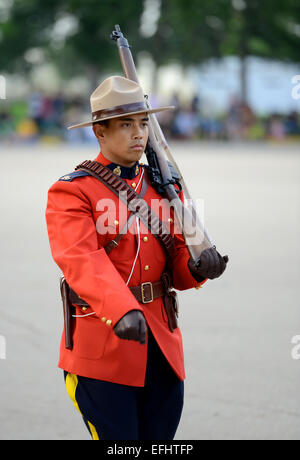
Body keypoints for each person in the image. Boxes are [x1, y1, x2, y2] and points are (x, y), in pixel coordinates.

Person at [45, 75, 228, 440]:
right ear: (99, 131)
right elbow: (82, 260)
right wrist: (122, 309)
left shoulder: (163, 185)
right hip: (104, 348)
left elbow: (177, 258)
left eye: (143, 123)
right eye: (126, 124)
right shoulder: (72, 191)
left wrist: (196, 267)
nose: (138, 133)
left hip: (162, 345)